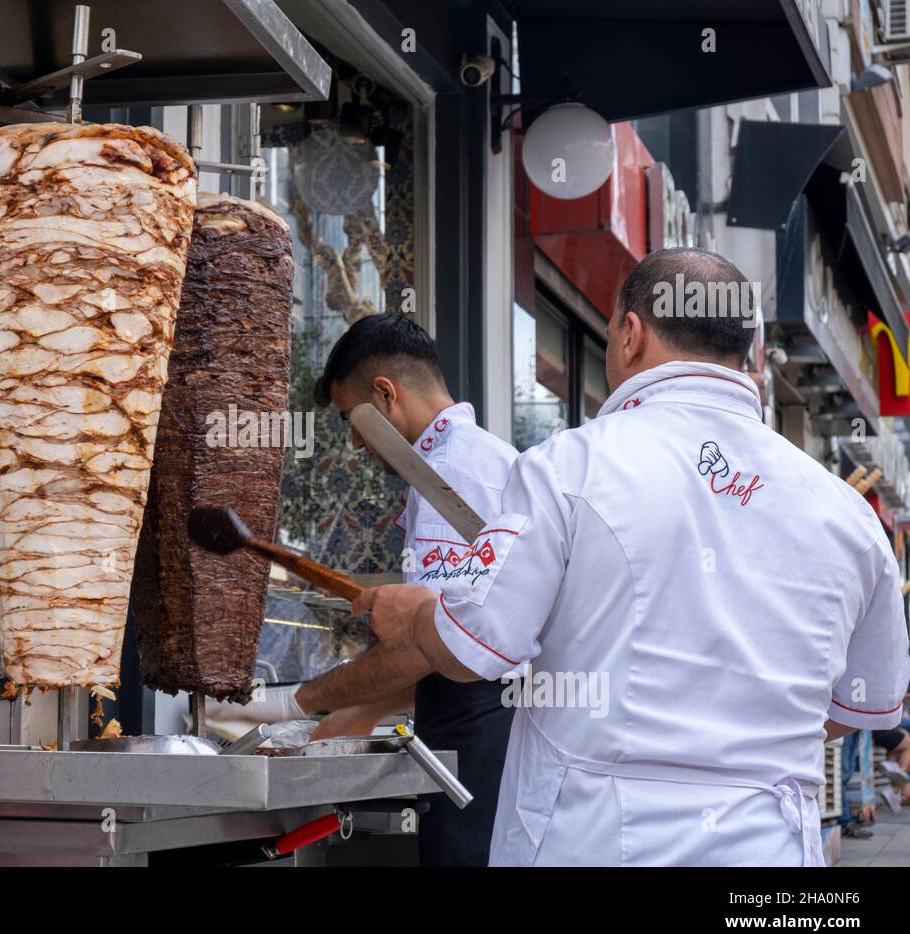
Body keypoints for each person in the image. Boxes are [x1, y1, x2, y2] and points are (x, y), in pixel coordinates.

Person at [353, 248, 910, 866]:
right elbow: (860, 704)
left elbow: (473, 648)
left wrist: (413, 616)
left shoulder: (567, 468)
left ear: (630, 335)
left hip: (593, 841)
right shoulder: (850, 516)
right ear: (749, 354)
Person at [212, 313, 517, 866]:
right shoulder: (485, 458)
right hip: (482, 721)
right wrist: (356, 709)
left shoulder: (448, 475)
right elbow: (455, 641)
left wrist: (290, 703)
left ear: (386, 393)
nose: (353, 441)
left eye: (353, 418)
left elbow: (429, 644)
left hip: (480, 736)